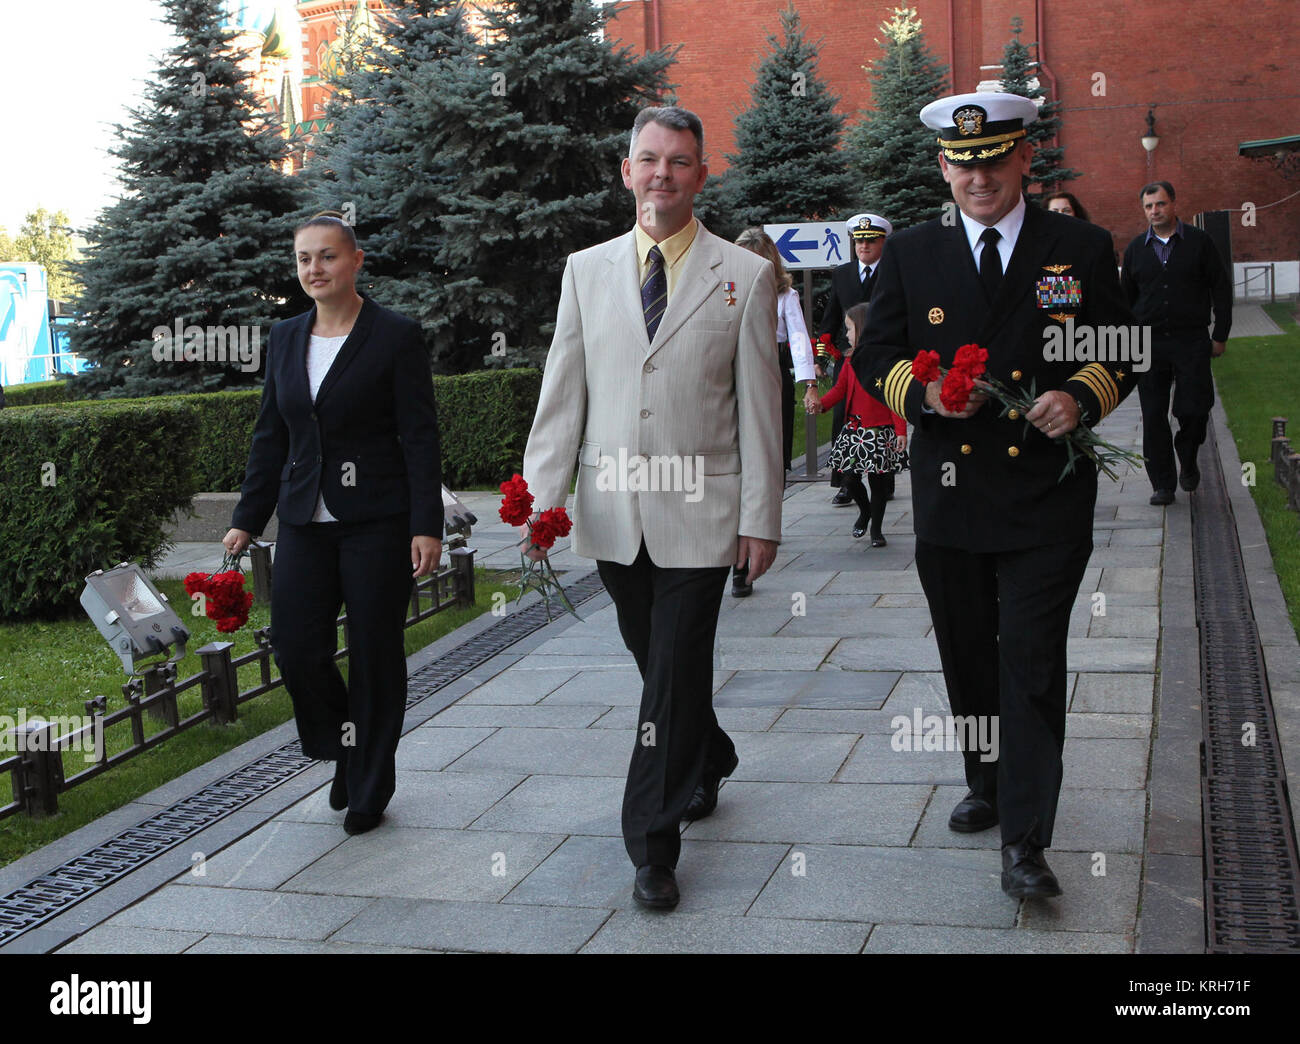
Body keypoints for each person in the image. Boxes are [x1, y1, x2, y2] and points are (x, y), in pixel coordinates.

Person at [856, 92, 1139, 900]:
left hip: (1045, 498)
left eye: (994, 161)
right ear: (944, 167)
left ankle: (1026, 840)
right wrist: (924, 395)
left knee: (1032, 664)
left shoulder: (1078, 245)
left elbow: (1123, 345)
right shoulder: (913, 252)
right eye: (962, 164)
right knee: (968, 656)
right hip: (950, 498)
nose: (979, 179)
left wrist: (1081, 398)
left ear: (1024, 159)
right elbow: (876, 354)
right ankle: (985, 778)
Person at [520, 106, 782, 911]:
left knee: (667, 676)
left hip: (701, 513)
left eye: (679, 161)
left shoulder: (745, 272)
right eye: (648, 159)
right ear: (626, 171)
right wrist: (542, 499)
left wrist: (760, 516)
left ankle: (652, 847)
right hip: (611, 511)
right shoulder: (585, 270)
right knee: (660, 666)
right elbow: (565, 392)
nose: (662, 174)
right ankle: (712, 754)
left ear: (702, 175)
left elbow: (760, 406)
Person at [224, 213, 444, 836]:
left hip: (377, 521)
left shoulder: (395, 336)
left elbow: (419, 435)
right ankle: (346, 744)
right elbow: (272, 432)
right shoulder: (287, 335)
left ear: (356, 261)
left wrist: (424, 523)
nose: (314, 269)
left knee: (375, 654)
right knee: (296, 649)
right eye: (303, 259)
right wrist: (248, 517)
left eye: (327, 257)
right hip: (301, 521)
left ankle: (370, 782)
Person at [1120, 180, 1232, 505]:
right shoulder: (1135, 250)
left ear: (1173, 204)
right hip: (1149, 344)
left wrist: (1220, 334)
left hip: (1191, 341)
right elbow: (1125, 300)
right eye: (1149, 206)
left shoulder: (1199, 242)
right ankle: (1163, 484)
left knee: (1195, 410)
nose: (1155, 211)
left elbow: (1221, 289)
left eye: (1161, 204)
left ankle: (1189, 454)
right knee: (1153, 415)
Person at [731, 226, 818, 596]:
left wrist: (809, 382)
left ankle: (758, 532)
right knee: (733, 459)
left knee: (769, 455)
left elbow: (797, 337)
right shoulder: (724, 290)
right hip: (730, 375)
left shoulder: (784, 294)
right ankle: (734, 556)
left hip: (771, 372)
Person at [816, 213, 892, 505]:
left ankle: (883, 479)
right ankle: (846, 481)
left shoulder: (892, 271)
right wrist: (821, 359)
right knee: (843, 418)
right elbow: (831, 317)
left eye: (871, 240)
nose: (864, 246)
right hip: (849, 358)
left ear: (882, 242)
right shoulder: (843, 274)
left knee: (881, 418)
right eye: (859, 241)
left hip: (883, 358)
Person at [816, 302, 907, 546]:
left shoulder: (883, 362)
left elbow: (892, 397)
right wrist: (821, 404)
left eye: (849, 329)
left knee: (879, 483)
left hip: (879, 431)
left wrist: (900, 431)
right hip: (855, 431)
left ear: (863, 329)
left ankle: (876, 529)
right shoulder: (848, 362)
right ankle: (865, 511)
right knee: (849, 477)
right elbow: (840, 390)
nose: (846, 334)